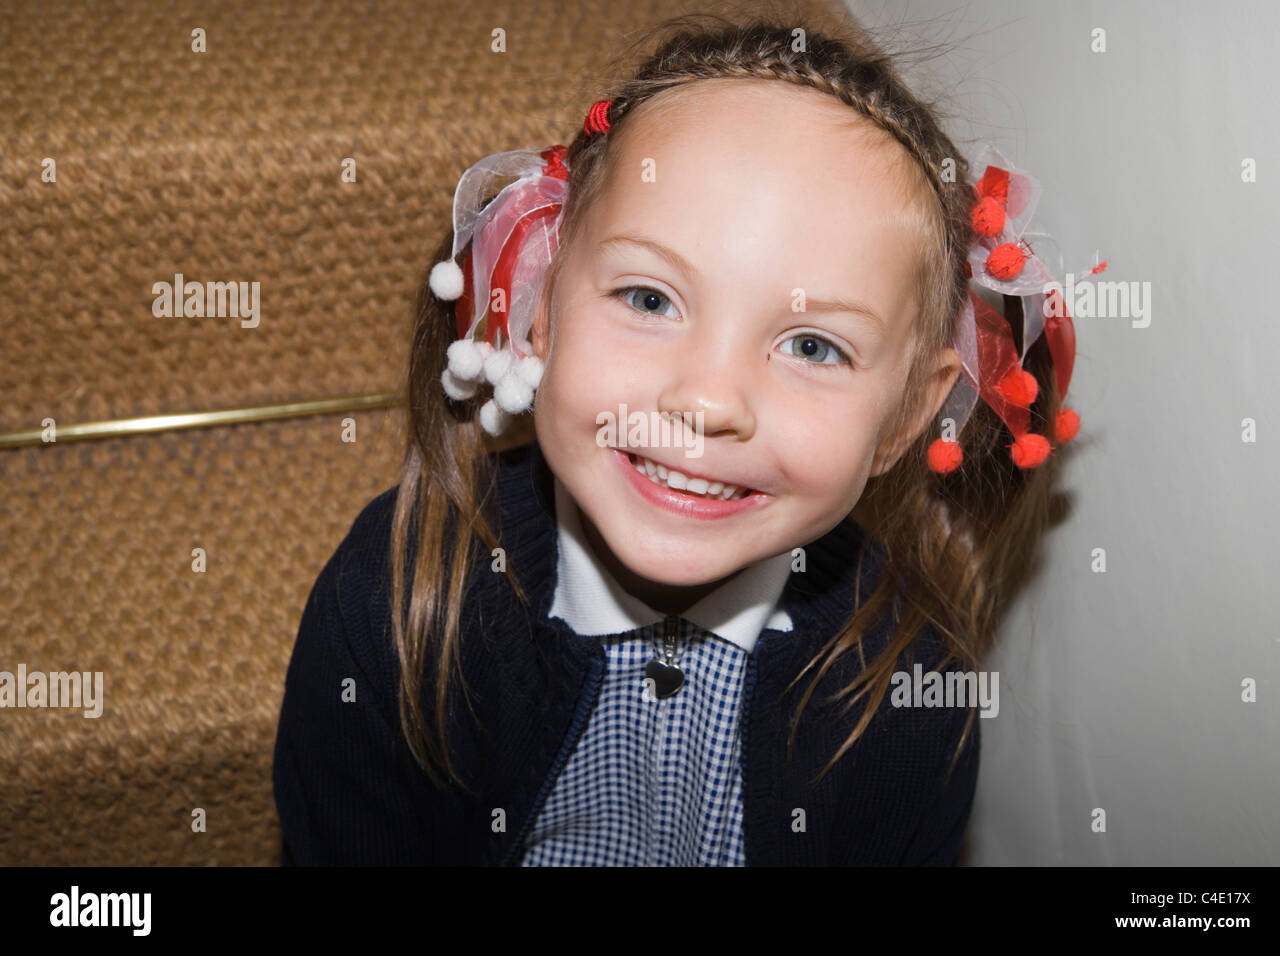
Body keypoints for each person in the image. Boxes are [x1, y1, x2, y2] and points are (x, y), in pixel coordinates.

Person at [273, 13, 1090, 866]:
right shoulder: (395, 596)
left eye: (813, 346)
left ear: (908, 418)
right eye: (649, 299)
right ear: (539, 306)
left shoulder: (911, 690)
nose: (707, 399)